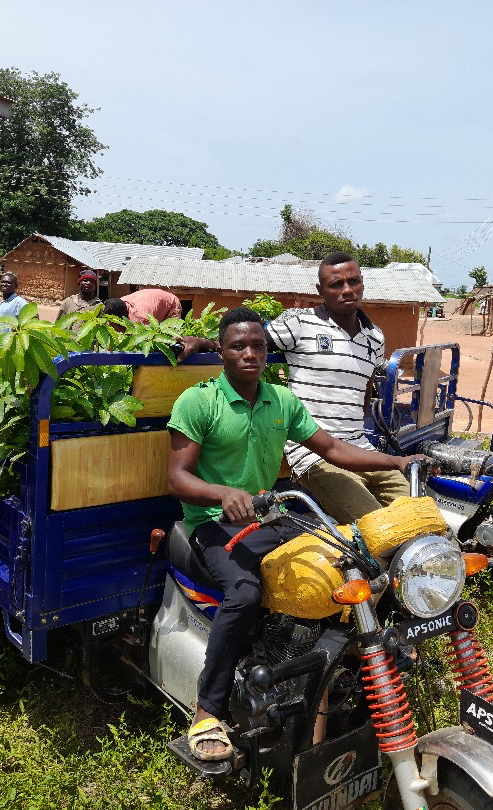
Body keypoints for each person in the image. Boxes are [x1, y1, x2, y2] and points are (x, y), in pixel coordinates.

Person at [167, 307, 421, 761]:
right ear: (221, 352)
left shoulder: (280, 400)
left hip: (270, 517)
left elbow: (333, 448)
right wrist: (223, 494)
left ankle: (358, 656)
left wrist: (397, 461)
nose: (249, 354)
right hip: (213, 524)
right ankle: (208, 710)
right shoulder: (198, 401)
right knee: (244, 593)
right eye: (238, 346)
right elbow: (177, 477)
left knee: (353, 557)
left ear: (267, 350)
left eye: (257, 345)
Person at [266, 251, 409, 524]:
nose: (347, 290)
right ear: (320, 290)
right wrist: (204, 343)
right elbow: (248, 344)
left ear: (362, 283)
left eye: (353, 281)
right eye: (336, 284)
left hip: (362, 449)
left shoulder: (375, 337)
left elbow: (365, 388)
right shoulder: (299, 324)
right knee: (378, 527)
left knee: (421, 514)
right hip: (315, 455)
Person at [102, 288, 183, 323]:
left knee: (172, 338)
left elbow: (144, 336)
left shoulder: (140, 317)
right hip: (152, 302)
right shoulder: (117, 304)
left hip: (171, 304)